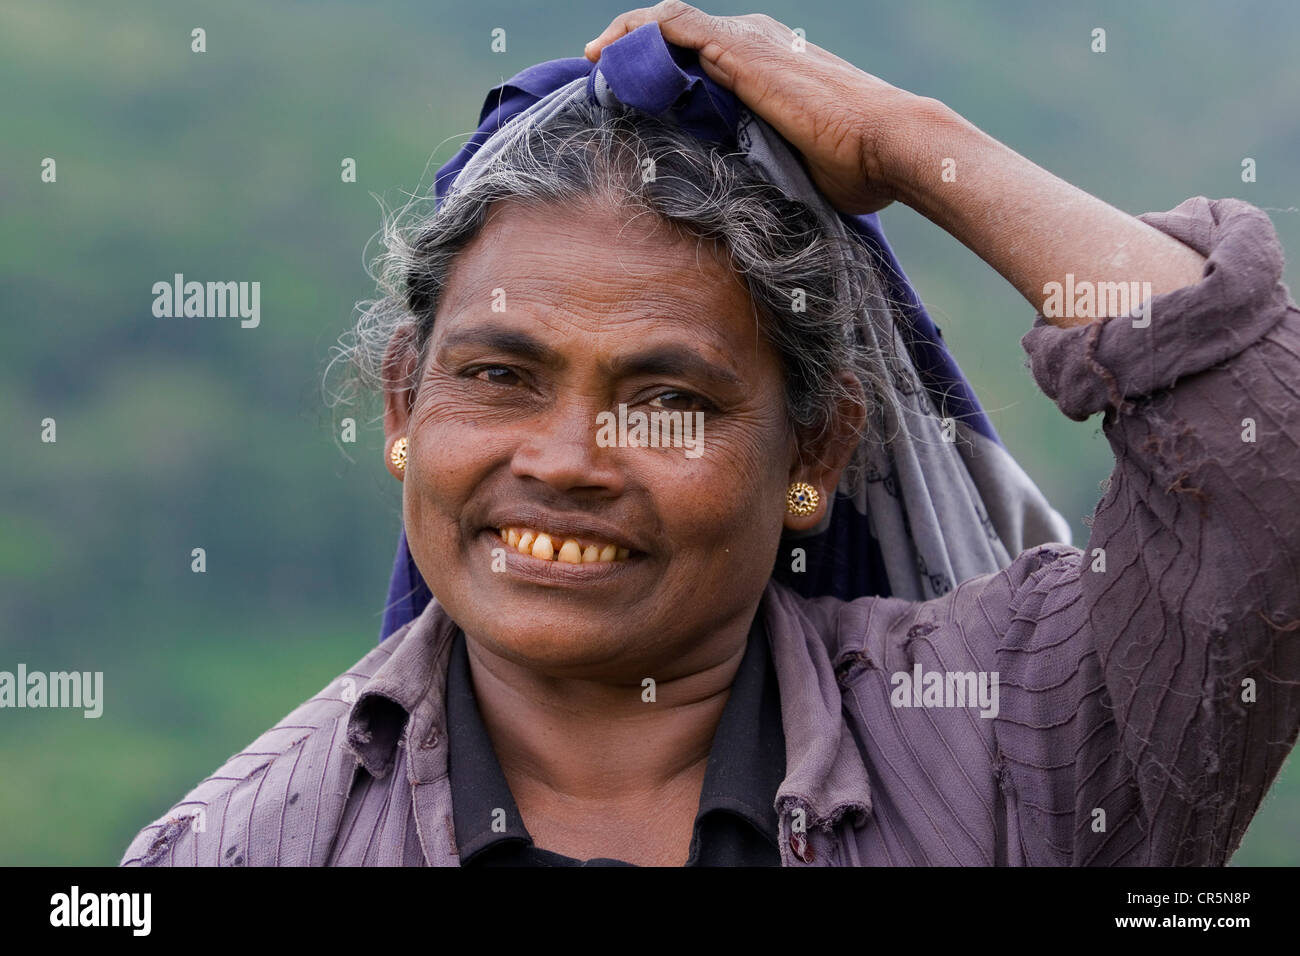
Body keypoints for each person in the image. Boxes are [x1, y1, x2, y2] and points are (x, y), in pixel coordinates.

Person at [121, 3, 1300, 867]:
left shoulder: (1011, 738)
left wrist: (908, 143)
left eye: (669, 399)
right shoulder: (237, 848)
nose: (566, 458)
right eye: (498, 376)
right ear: (401, 408)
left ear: (816, 451)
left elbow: (1262, 462)